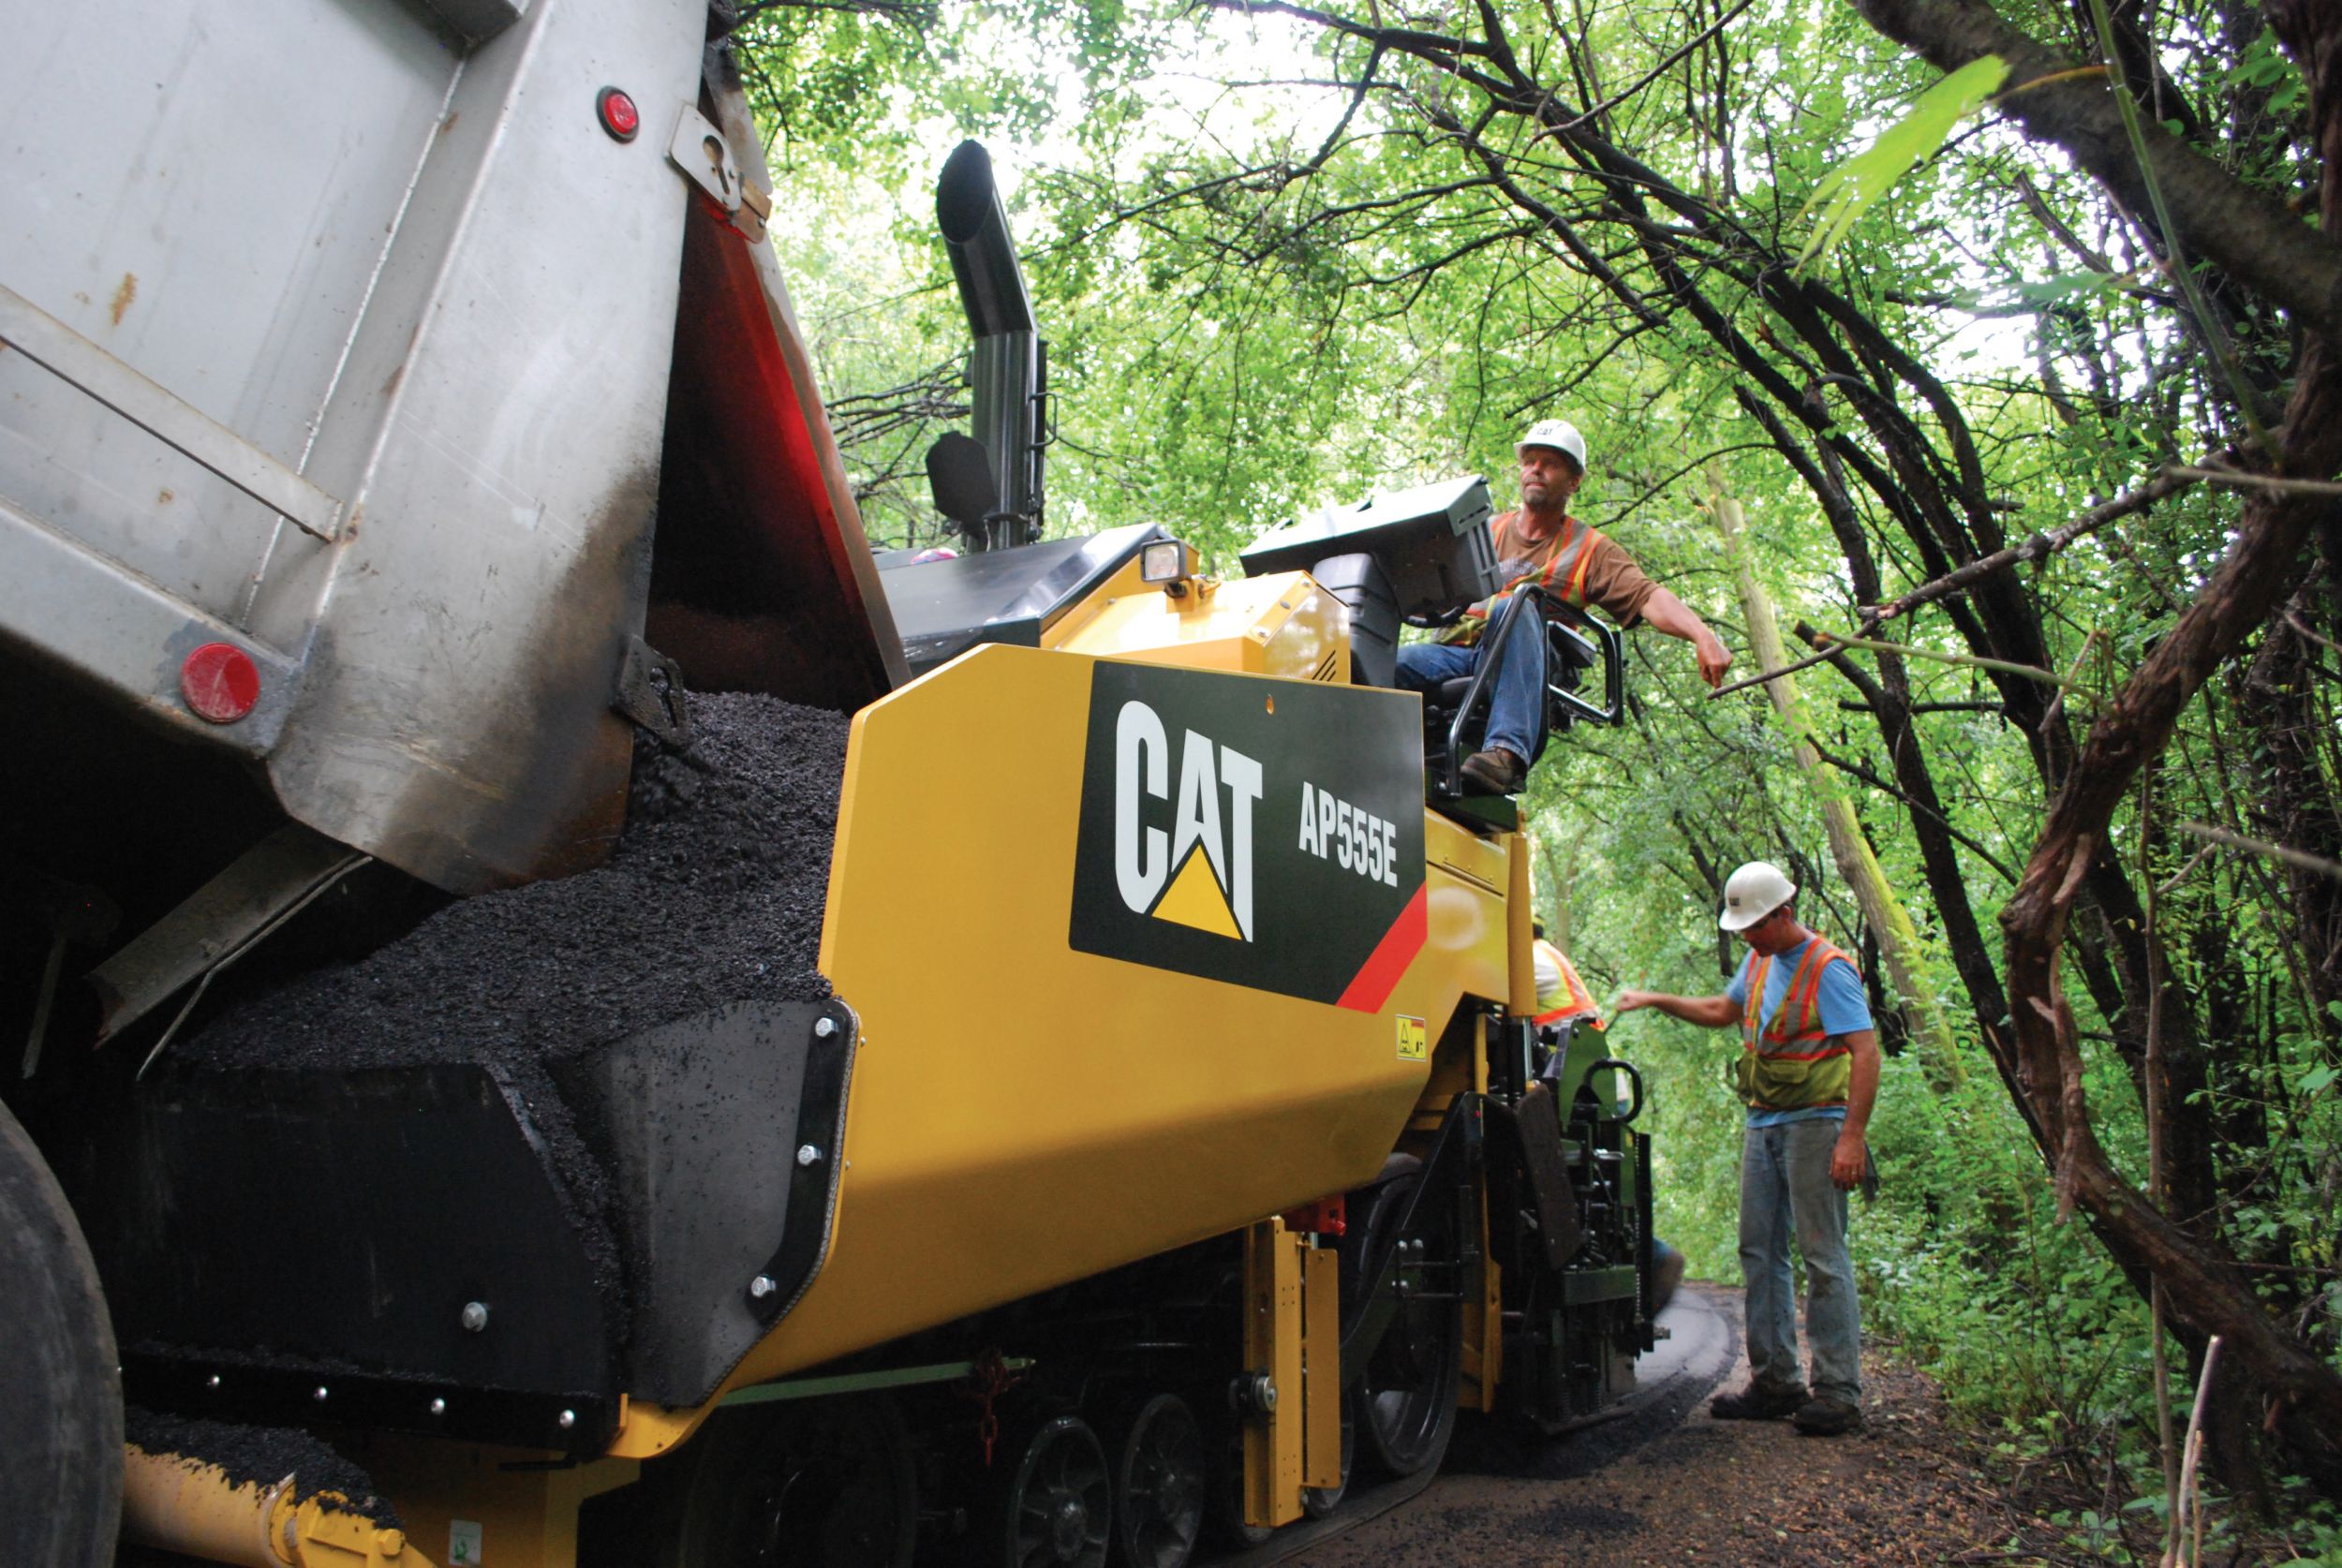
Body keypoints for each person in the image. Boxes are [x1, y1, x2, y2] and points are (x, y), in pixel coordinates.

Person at [1612, 861, 1879, 1436]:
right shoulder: (1760, 962)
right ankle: (1776, 1381)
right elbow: (1722, 1012)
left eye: (1756, 926)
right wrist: (1656, 999)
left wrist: (1852, 1137)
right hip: (1764, 1121)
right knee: (1759, 1251)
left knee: (1822, 1255)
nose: (1749, 938)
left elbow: (1865, 1050)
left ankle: (1838, 1392)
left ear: (1784, 914)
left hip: (1817, 1124)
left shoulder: (1828, 969)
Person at [1396, 419, 1733, 794]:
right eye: (1530, 461)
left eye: (1550, 463)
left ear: (1573, 482)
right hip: (1458, 654)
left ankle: (1506, 754)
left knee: (1520, 605)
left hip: (1525, 657)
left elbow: (1649, 597)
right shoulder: (1484, 532)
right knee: (1374, 663)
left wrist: (1702, 634)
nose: (1536, 469)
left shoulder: (1590, 549)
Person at [1529, 919, 1685, 1311]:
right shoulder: (1544, 955)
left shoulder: (1530, 962)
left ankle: (1658, 1258)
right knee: (1603, 1193)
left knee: (1592, 1194)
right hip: (1588, 1086)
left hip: (1586, 1091)